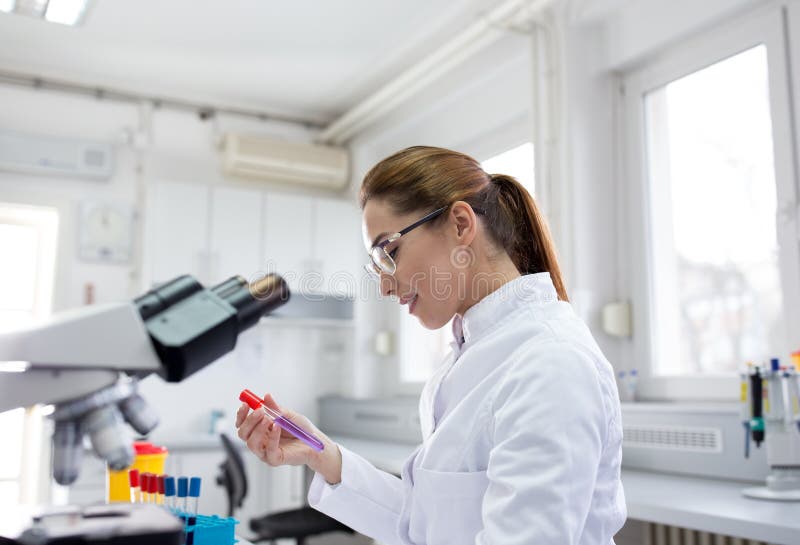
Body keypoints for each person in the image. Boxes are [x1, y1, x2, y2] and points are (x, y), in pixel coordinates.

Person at [236, 146, 627, 545]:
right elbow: (426, 521)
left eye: (389, 252)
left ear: (460, 224)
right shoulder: (474, 354)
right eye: (377, 269)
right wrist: (321, 454)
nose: (386, 286)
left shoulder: (550, 363)